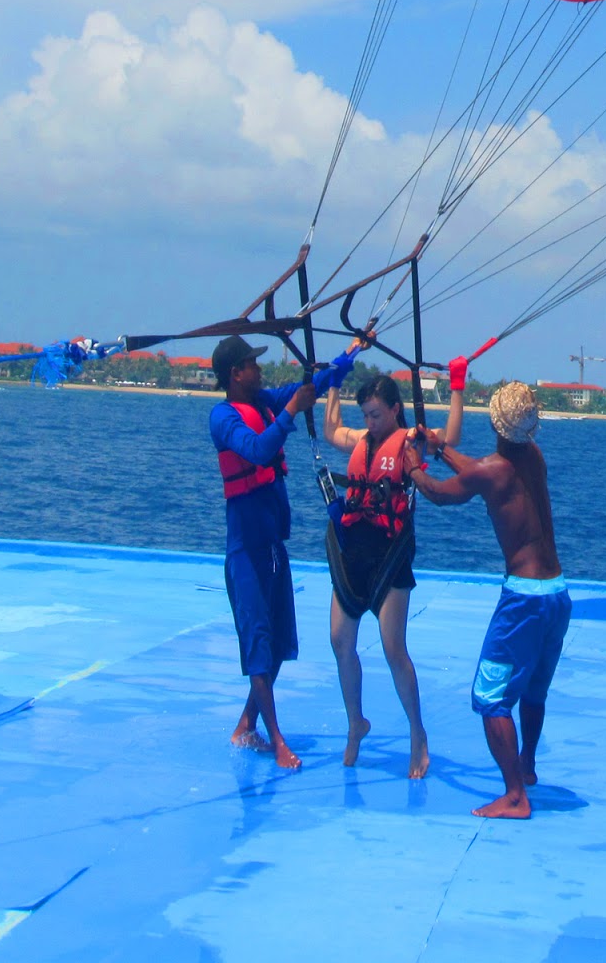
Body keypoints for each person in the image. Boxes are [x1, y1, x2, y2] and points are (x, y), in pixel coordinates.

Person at [404, 375, 569, 819]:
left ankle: (515, 795)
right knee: (534, 688)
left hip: (525, 600)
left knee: (491, 697)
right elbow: (478, 472)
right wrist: (439, 449)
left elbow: (441, 494)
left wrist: (414, 465)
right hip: (557, 593)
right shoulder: (532, 457)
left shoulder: (491, 472)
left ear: (497, 425)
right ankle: (527, 768)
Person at [208, 332, 361, 769]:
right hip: (245, 549)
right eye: (252, 365)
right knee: (258, 641)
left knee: (277, 643)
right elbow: (258, 451)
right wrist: (290, 410)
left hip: (273, 544)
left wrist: (349, 354)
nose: (260, 369)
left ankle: (246, 725)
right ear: (236, 374)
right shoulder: (223, 417)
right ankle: (276, 739)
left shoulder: (264, 402)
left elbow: (313, 385)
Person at [321, 367, 462, 772]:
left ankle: (417, 734)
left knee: (392, 649)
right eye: (365, 414)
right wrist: (332, 381)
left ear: (395, 410)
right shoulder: (362, 440)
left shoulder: (410, 442)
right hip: (353, 554)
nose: (369, 422)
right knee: (339, 641)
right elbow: (331, 430)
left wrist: (456, 387)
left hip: (390, 557)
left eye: (376, 414)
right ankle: (356, 723)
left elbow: (450, 438)